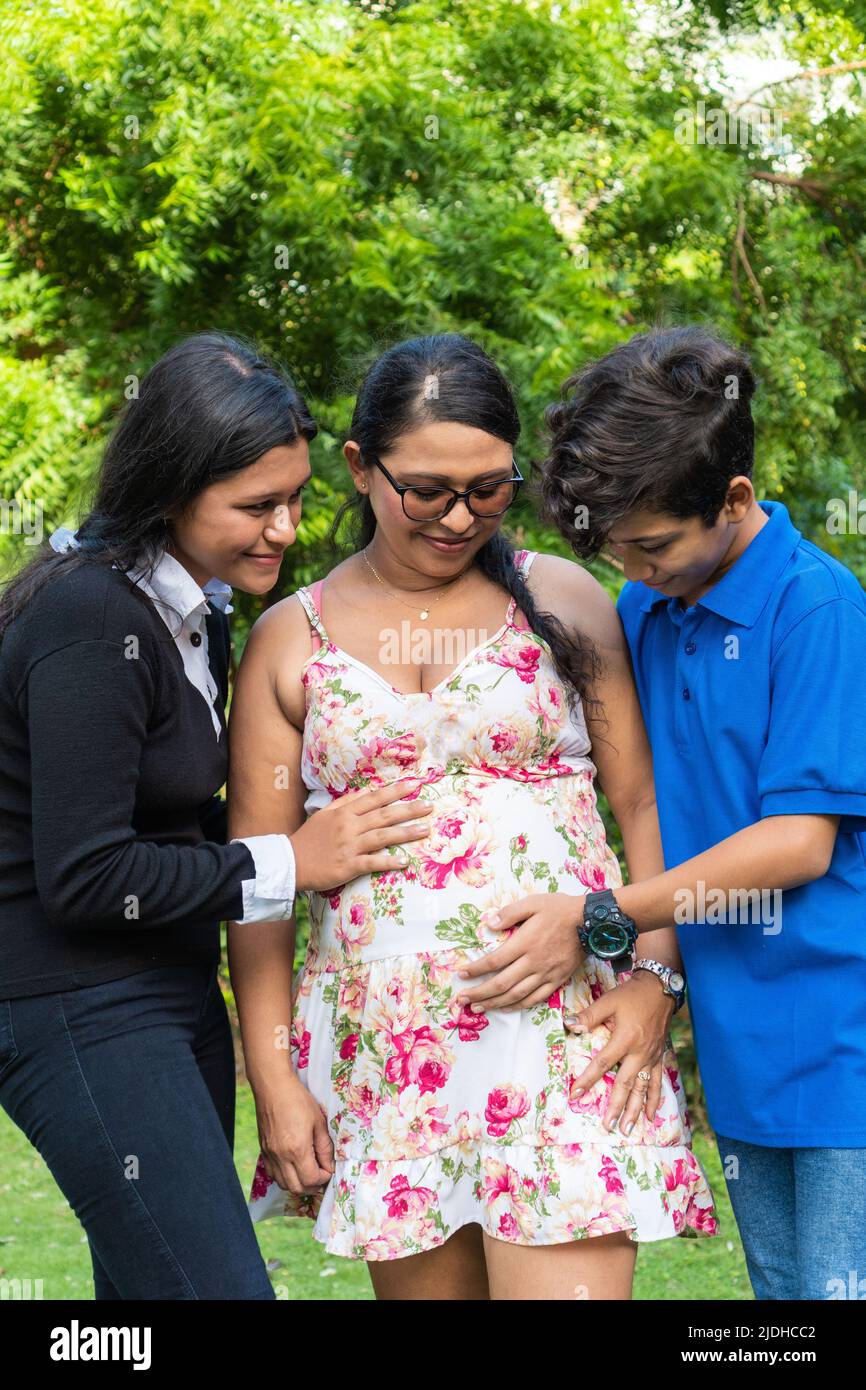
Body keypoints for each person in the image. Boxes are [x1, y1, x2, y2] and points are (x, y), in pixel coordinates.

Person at [229, 332, 717, 1302]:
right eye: (427, 490)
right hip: (384, 1045)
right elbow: (258, 884)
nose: (459, 517)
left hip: (560, 1030)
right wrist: (274, 1077)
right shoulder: (289, 637)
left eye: (488, 489)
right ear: (362, 468)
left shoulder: (564, 597)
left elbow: (642, 803)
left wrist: (657, 976)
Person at [0, 330, 430, 1300]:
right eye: (254, 506)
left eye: (292, 497)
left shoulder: (193, 611)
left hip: (164, 994)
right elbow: (83, 876)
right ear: (169, 490)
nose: (283, 527)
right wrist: (289, 858)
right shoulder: (87, 617)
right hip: (74, 1004)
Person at [459, 324, 866, 1301]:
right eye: (610, 549)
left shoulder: (816, 606)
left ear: (732, 499)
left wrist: (600, 916)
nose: (629, 571)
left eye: (649, 545)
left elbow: (796, 841)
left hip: (842, 1034)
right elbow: (645, 806)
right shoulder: (646, 612)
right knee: (782, 1297)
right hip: (737, 1045)